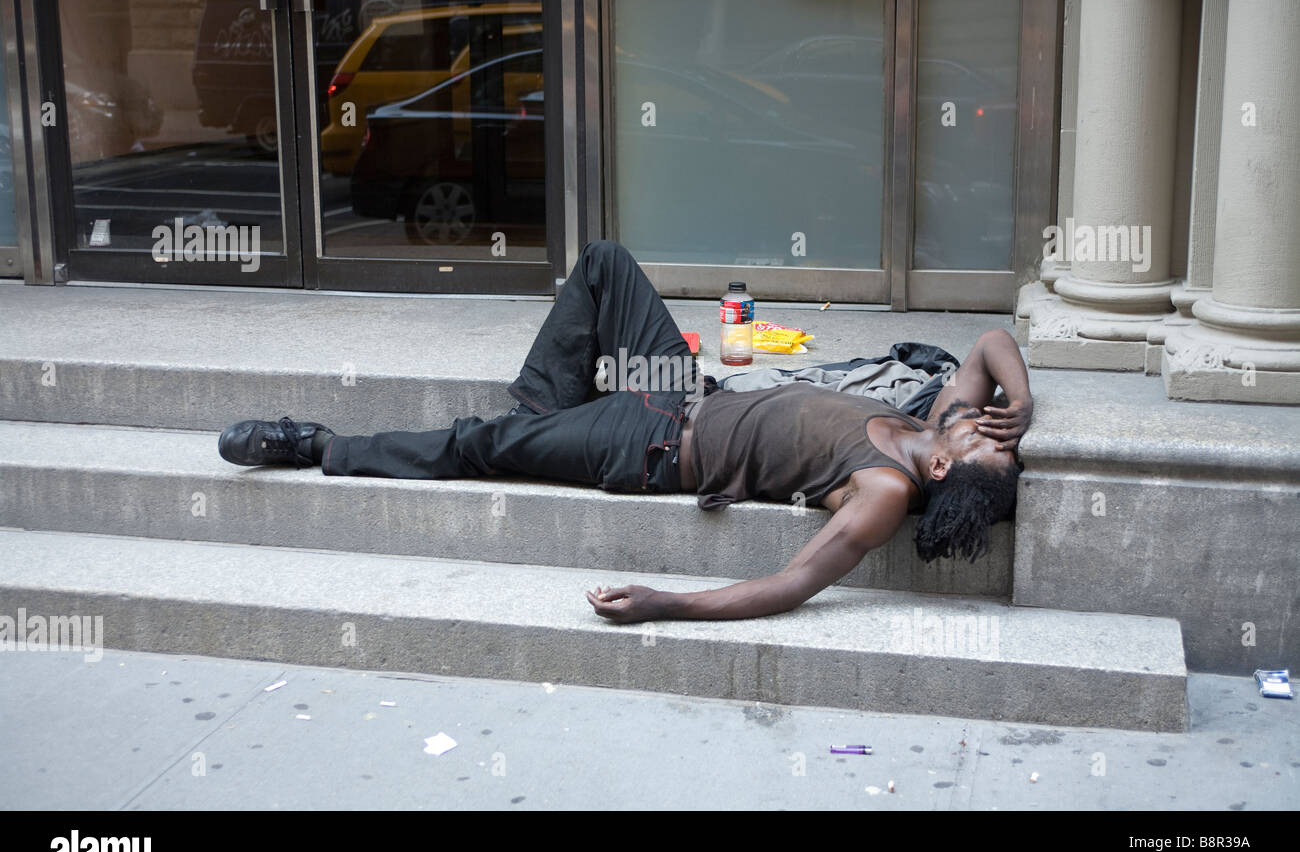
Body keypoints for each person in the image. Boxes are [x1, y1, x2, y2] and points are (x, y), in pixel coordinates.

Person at [218, 239, 1032, 624]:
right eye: (1003, 435)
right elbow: (992, 347)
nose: (998, 432)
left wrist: (664, 601)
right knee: (605, 262)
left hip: (645, 448)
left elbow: (789, 586)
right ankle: (539, 416)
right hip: (684, 390)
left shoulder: (885, 492)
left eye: (998, 445)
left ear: (948, 476)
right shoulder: (939, 423)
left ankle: (318, 446)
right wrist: (1022, 401)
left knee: (479, 445)